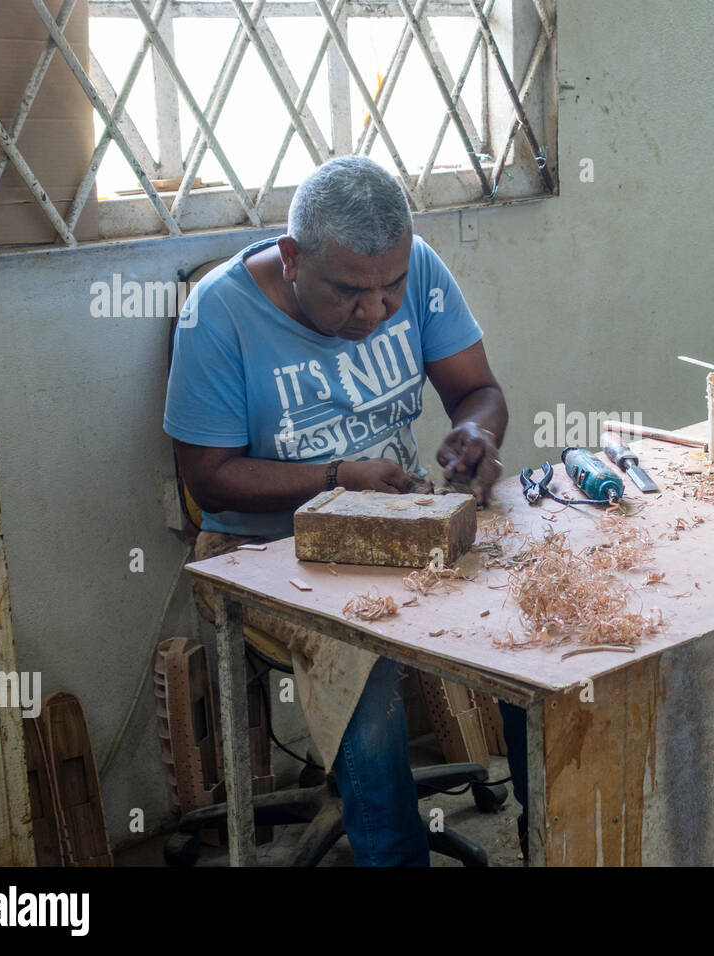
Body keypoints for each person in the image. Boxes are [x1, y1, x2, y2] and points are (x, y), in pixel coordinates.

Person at [164, 156, 508, 865]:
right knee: (360, 652)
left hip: (398, 520)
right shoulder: (220, 314)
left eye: (392, 289)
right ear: (292, 259)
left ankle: (554, 831)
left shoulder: (418, 272)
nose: (378, 311)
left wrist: (477, 433)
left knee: (522, 608)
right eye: (351, 292)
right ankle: (393, 853)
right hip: (260, 551)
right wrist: (334, 477)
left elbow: (479, 390)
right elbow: (210, 480)